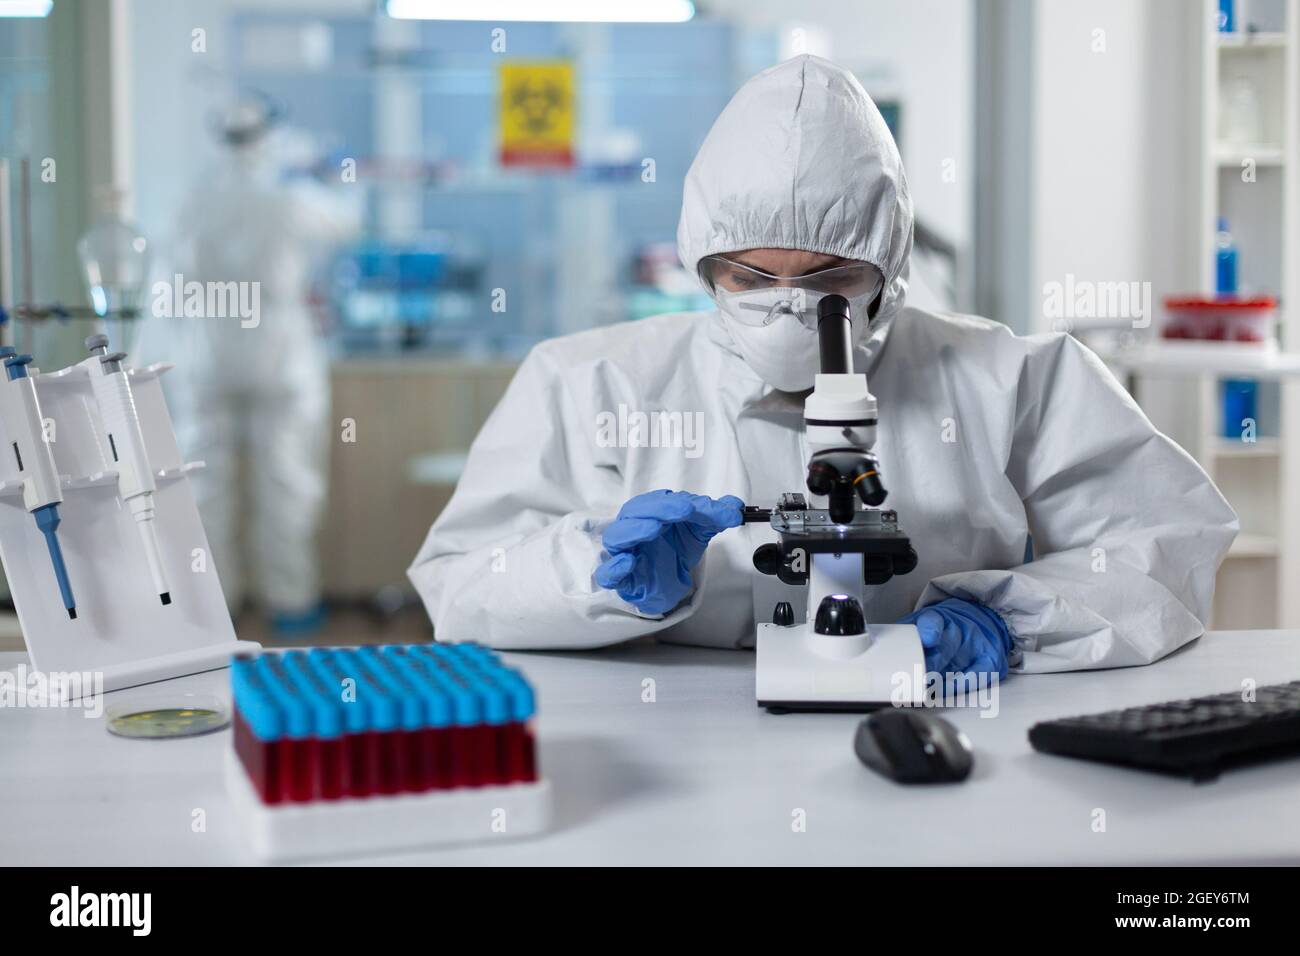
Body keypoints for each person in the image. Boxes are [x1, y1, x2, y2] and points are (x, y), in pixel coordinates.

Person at [409, 56, 1237, 681]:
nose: (793, 308)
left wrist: (1013, 623)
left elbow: (1166, 547)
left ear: (888, 265)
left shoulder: (1015, 379)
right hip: (671, 749)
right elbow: (460, 585)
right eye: (751, 276)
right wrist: (598, 576)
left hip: (941, 725)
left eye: (831, 278)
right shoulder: (586, 382)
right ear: (702, 262)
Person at [138, 96, 358, 635]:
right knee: (287, 479)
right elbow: (348, 222)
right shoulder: (287, 196)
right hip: (279, 354)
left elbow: (162, 286)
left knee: (205, 484)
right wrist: (331, 171)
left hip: (207, 356)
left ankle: (217, 605)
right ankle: (291, 603)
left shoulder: (189, 199)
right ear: (270, 136)